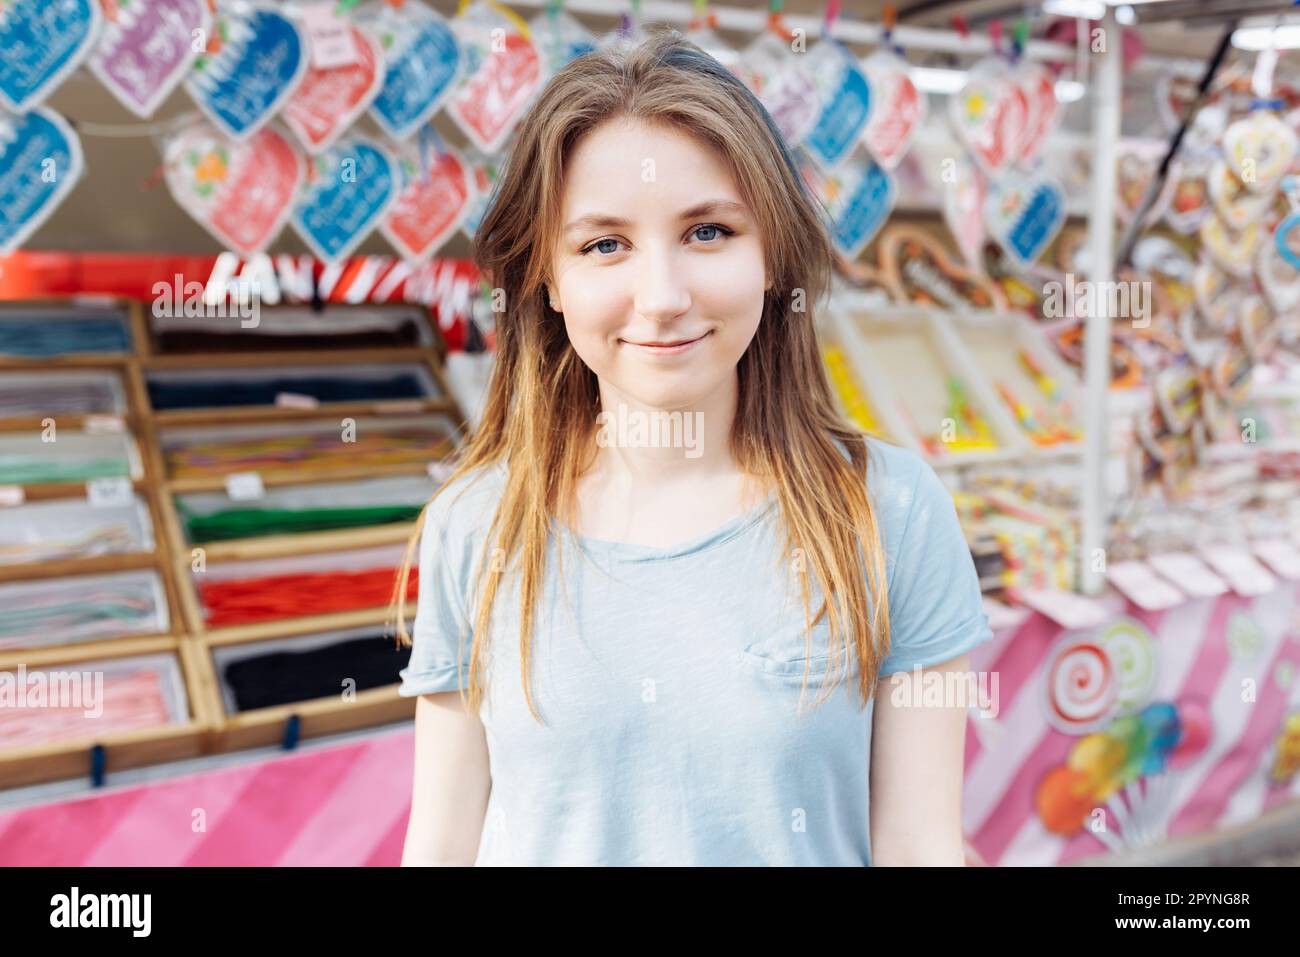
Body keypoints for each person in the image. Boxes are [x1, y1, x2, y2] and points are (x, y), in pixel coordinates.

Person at [391, 29, 993, 866]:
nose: (663, 297)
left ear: (773, 253)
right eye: (605, 244)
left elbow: (921, 847)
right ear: (548, 279)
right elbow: (442, 846)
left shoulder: (891, 512)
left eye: (708, 232)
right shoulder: (476, 527)